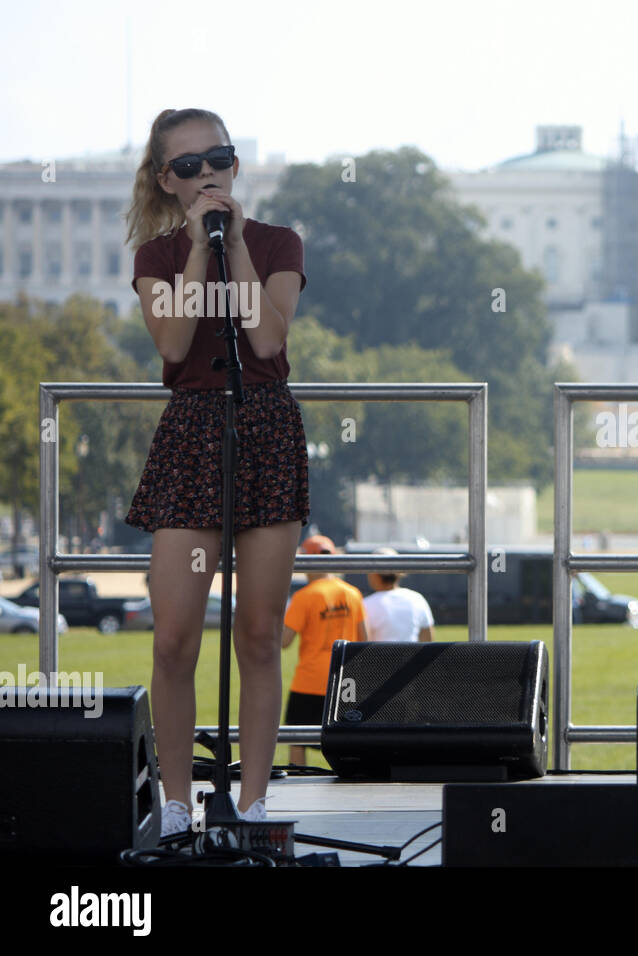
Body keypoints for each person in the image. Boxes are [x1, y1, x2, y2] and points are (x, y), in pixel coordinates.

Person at [125, 108, 308, 838]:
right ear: (166, 182)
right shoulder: (156, 257)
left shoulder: (276, 242)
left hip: (262, 424)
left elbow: (266, 336)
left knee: (258, 634)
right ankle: (176, 805)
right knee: (174, 637)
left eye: (219, 160)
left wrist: (232, 246)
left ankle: (254, 805)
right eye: (190, 167)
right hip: (194, 431)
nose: (208, 176)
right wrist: (199, 253)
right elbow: (172, 346)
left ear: (237, 165)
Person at [282, 534, 368, 766]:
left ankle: (298, 782)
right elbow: (364, 640)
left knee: (297, 739)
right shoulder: (353, 593)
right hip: (345, 679)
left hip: (309, 680)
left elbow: (284, 641)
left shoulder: (304, 597)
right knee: (346, 739)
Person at [362, 546, 435, 643]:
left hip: (380, 658)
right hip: (412, 658)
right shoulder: (417, 599)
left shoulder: (365, 605)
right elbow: (428, 640)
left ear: (374, 574)